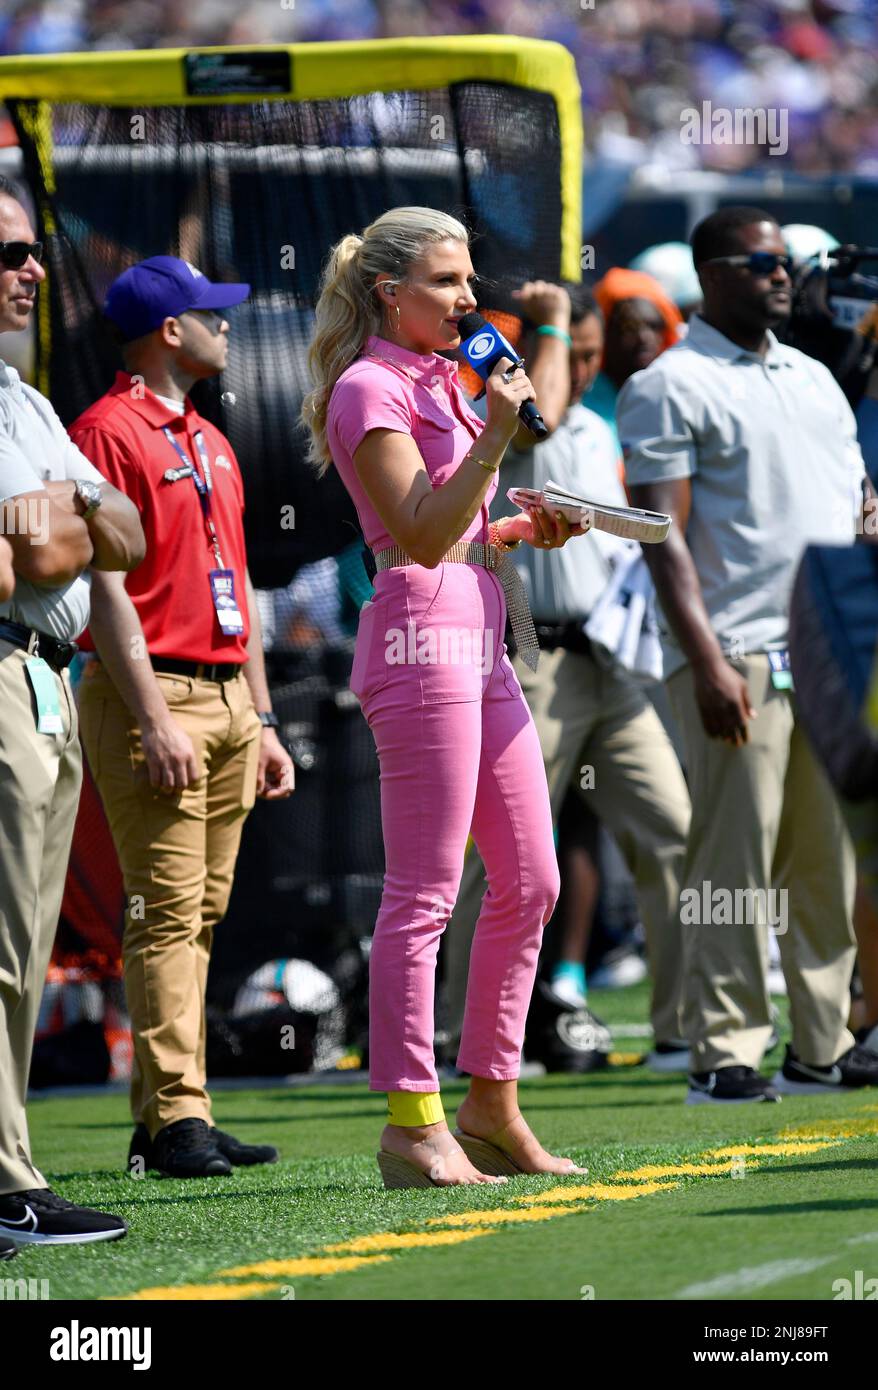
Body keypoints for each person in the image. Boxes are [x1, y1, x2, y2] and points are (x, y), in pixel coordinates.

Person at [301, 206, 589, 1188]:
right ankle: (409, 1123)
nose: (469, 301)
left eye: (468, 281)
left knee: (531, 881)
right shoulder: (367, 386)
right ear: (389, 291)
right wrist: (493, 444)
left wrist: (514, 531)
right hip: (421, 640)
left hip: (475, 636)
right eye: (446, 282)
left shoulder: (441, 379)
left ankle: (490, 1106)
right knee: (423, 892)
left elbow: (454, 528)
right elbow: (415, 537)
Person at [621, 205, 878, 1102]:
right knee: (733, 866)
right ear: (713, 273)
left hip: (828, 655)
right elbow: (663, 536)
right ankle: (724, 1052)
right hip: (740, 650)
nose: (783, 276)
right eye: (763, 261)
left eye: (784, 263)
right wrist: (706, 662)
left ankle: (822, 1043)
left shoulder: (813, 378)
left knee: (826, 862)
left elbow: (856, 505)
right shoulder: (669, 382)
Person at [71, 256, 294, 1178]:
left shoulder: (209, 436)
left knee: (199, 915)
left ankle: (168, 1109)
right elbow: (105, 587)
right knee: (167, 913)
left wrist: (265, 716)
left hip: (227, 697)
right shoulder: (106, 431)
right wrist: (154, 714)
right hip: (152, 694)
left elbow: (235, 581)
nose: (229, 329)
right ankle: (177, 1119)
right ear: (171, 330)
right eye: (214, 315)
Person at [443, 279, 692, 1071]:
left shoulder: (598, 425)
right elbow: (531, 422)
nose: (580, 370)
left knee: (675, 831)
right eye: (567, 354)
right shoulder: (517, 417)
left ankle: (682, 1028)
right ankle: (459, 1037)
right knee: (495, 856)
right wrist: (547, 322)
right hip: (535, 658)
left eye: (590, 356)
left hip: (609, 666)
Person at [0, 174, 144, 1246]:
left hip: (53, 671)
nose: (33, 270)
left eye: (29, 251)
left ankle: (14, 1169)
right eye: (7, 255)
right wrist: (70, 516)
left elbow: (124, 538)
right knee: (3, 947)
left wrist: (62, 514)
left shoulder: (28, 395)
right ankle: (6, 1181)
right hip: (9, 660)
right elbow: (12, 571)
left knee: (29, 941)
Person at [587, 267, 683, 449]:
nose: (644, 338)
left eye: (654, 326)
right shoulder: (583, 400)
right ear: (605, 332)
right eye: (629, 327)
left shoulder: (676, 396)